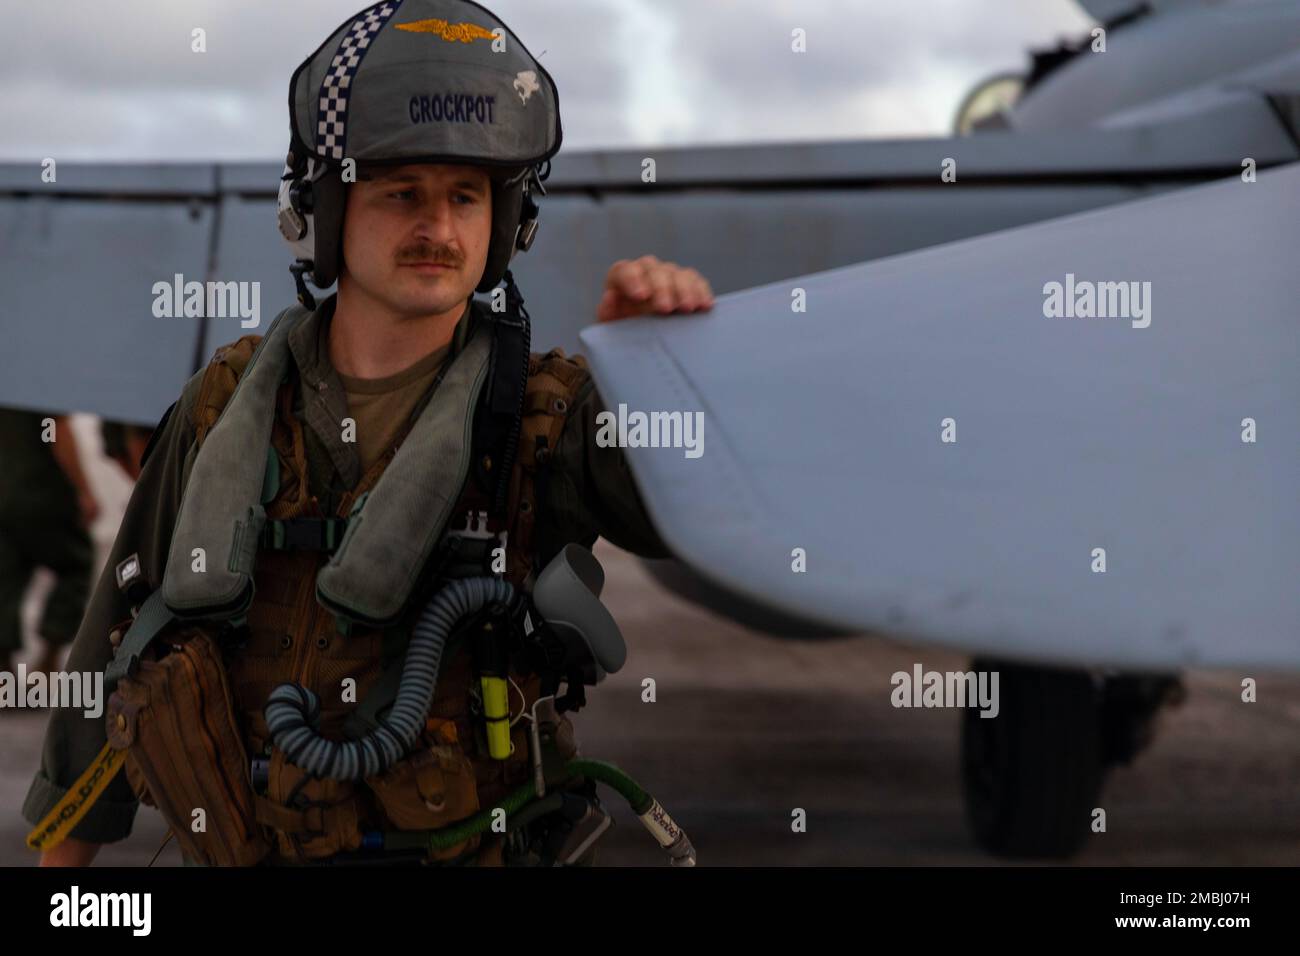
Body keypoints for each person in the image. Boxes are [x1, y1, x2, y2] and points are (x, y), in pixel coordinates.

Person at [27, 0, 712, 867]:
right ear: (328, 207)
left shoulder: (550, 417)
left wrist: (652, 366)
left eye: (465, 196)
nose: (438, 228)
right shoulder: (227, 403)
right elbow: (115, 635)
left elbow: (686, 520)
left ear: (501, 222)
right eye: (401, 195)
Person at [0, 409, 97, 681]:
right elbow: (57, 432)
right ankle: (48, 659)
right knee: (76, 564)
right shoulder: (44, 381)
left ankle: (3, 667)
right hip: (44, 493)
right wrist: (84, 490)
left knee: (6, 575)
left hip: (6, 492)